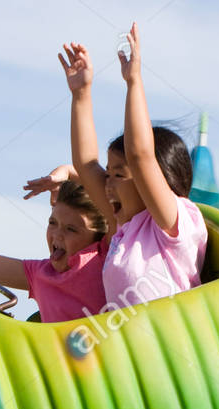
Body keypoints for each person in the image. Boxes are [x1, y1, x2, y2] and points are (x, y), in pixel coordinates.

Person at [60, 22, 207, 310]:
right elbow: (85, 164)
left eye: (117, 174)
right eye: (109, 173)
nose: (107, 182)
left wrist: (134, 81)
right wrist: (81, 95)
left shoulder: (174, 224)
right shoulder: (125, 227)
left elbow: (140, 156)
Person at [0, 145, 109, 322]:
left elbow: (114, 200)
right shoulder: (40, 274)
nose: (57, 234)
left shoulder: (106, 256)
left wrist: (69, 171)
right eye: (52, 223)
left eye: (71, 229)